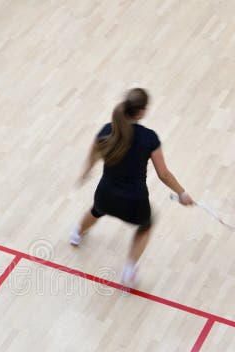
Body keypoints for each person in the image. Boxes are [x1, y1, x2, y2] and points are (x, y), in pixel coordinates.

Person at [71, 88, 193, 286]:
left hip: (105, 194)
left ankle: (76, 235)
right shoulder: (149, 138)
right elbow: (163, 173)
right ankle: (128, 270)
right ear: (141, 112)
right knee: (146, 225)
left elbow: (92, 156)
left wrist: (85, 173)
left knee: (96, 210)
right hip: (134, 202)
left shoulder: (106, 131)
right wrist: (182, 193)